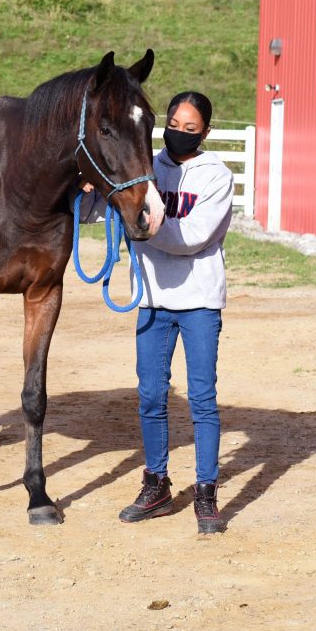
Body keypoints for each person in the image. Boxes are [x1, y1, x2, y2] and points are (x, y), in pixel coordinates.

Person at [106, 90, 236, 534]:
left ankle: (205, 492)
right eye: (175, 125)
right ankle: (156, 483)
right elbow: (100, 209)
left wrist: (140, 227)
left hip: (198, 300)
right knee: (150, 396)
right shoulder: (147, 166)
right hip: (151, 299)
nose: (179, 134)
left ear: (206, 132)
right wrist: (92, 190)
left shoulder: (216, 176)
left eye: (190, 129)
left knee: (201, 399)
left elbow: (193, 237)